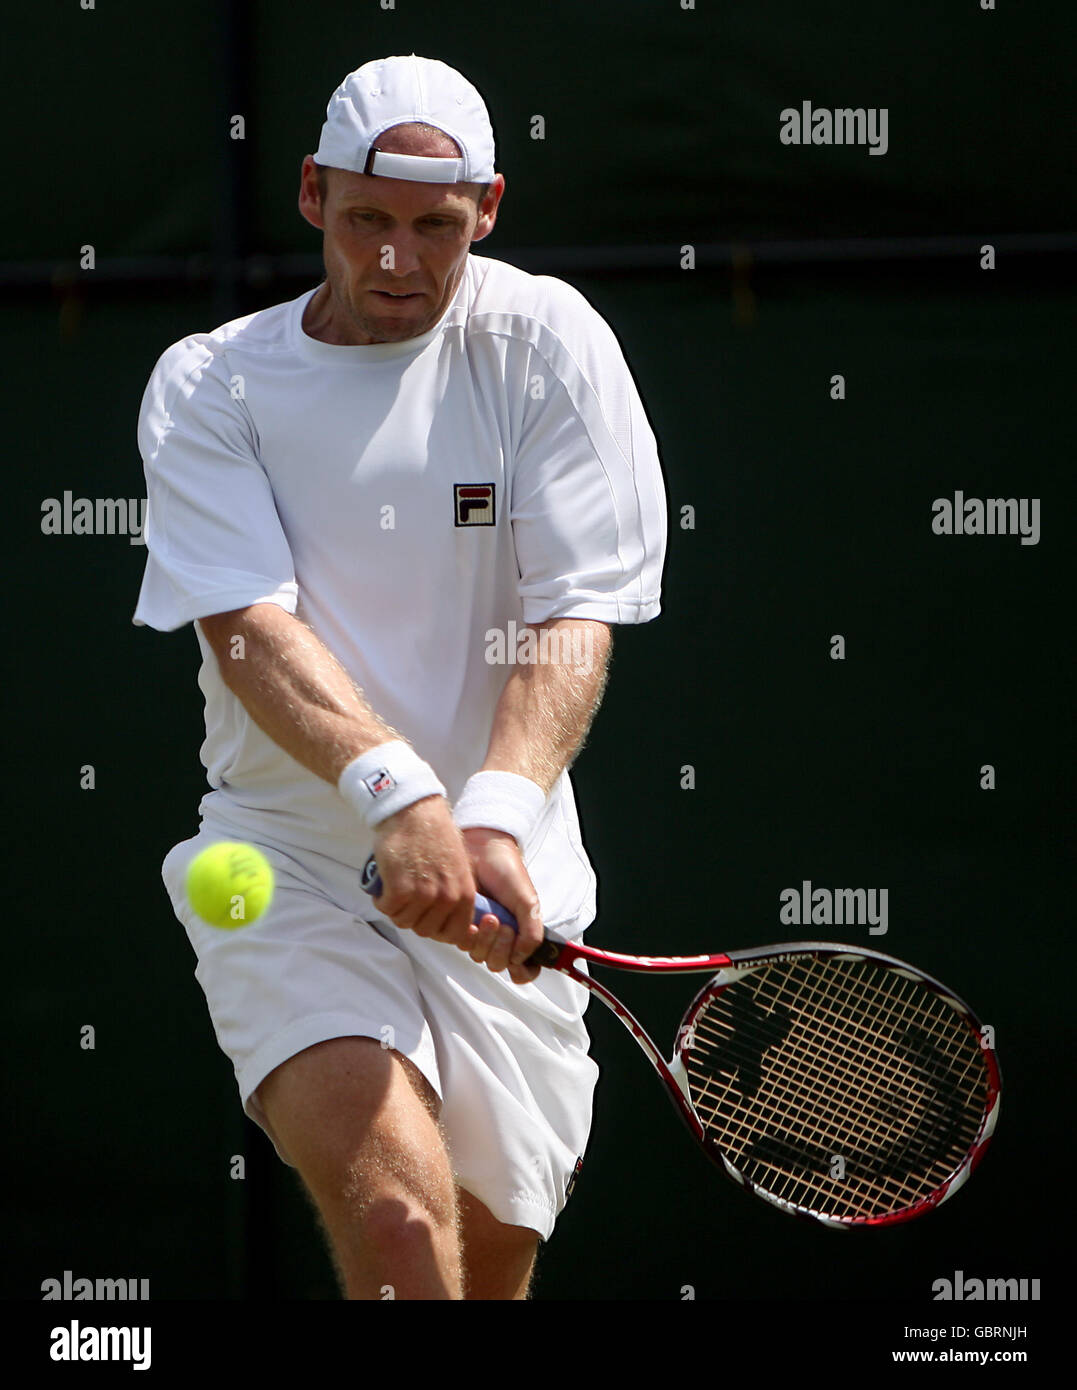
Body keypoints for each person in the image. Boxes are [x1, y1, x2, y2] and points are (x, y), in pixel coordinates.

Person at [134, 53, 667, 1300]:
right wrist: (396, 795)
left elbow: (576, 611)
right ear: (313, 195)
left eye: (435, 228)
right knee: (397, 1236)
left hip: (505, 877)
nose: (397, 260)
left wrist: (488, 819)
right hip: (287, 864)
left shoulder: (546, 345)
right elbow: (250, 627)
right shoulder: (212, 383)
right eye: (368, 219)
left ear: (487, 210)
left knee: (481, 1276)